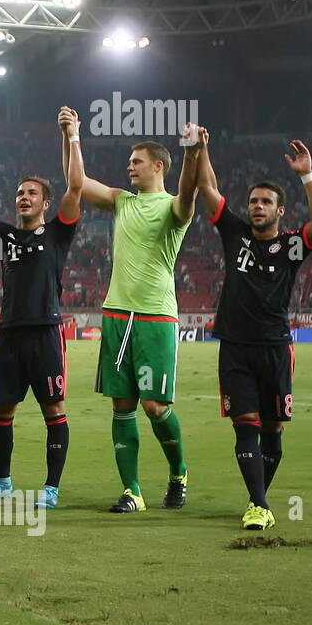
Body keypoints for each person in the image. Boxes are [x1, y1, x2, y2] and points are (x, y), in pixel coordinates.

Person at [65, 107, 203, 512]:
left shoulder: (175, 207)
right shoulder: (122, 201)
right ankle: (133, 492)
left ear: (158, 166)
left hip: (155, 318)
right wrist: (72, 136)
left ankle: (178, 473)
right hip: (115, 314)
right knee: (121, 405)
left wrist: (192, 152)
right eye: (129, 162)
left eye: (136, 161)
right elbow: (76, 183)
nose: (129, 167)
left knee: (154, 406)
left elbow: (191, 192)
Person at [195, 133, 312, 530]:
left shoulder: (291, 246)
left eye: (266, 202)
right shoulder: (234, 233)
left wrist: (307, 175)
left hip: (275, 348)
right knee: (246, 425)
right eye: (254, 201)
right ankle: (257, 504)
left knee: (272, 430)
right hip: (235, 348)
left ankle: (260, 498)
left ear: (279, 211)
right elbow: (208, 188)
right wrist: (202, 150)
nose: (257, 206)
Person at [0, 111, 83, 510]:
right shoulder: (6, 236)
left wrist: (71, 136)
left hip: (46, 332)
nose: (22, 197)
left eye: (30, 193)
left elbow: (76, 185)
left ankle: (51, 489)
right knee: (2, 408)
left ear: (45, 201)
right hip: (9, 333)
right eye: (19, 193)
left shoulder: (58, 232)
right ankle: (3, 482)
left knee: (53, 409)